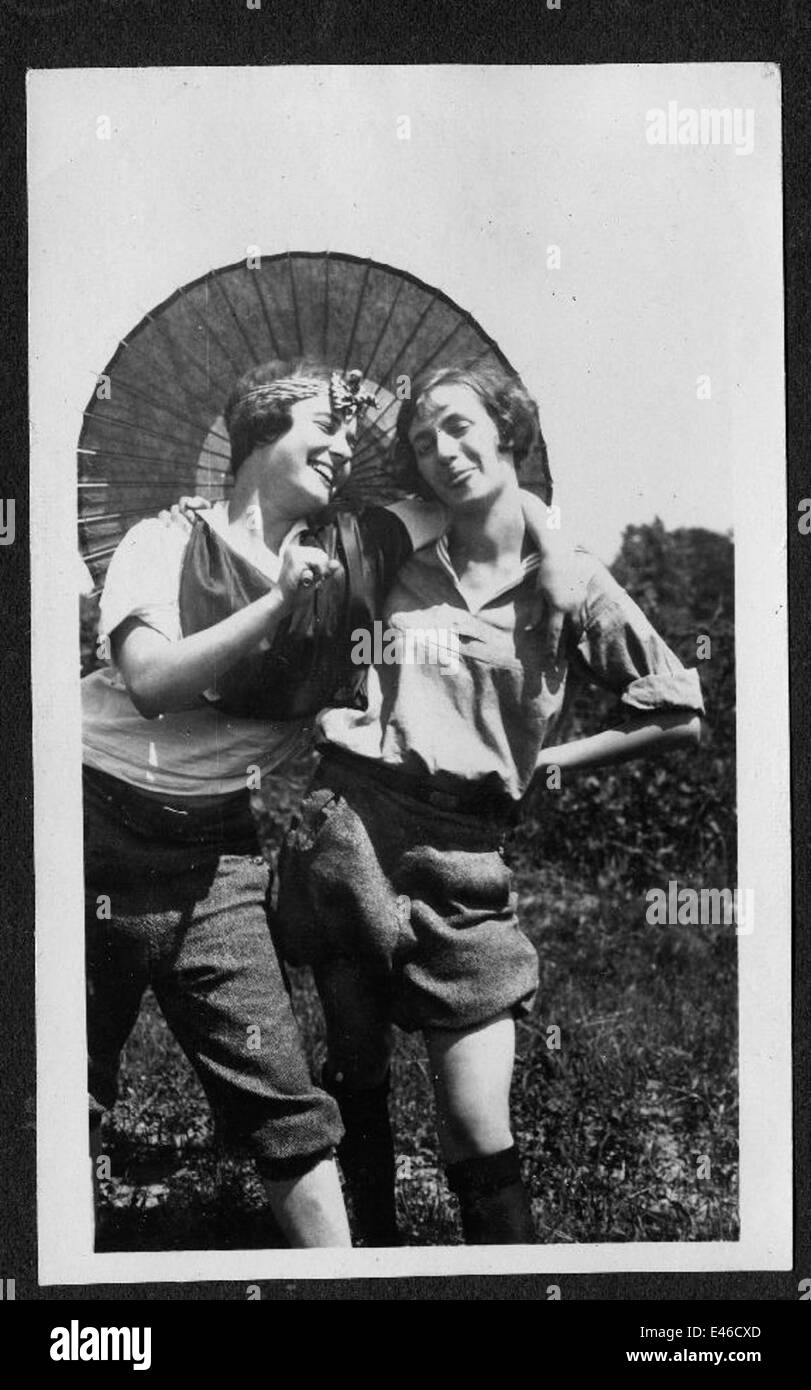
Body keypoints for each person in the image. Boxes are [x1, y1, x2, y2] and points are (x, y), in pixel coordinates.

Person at [82, 356, 573, 1248]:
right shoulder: (164, 542)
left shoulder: (363, 543)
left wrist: (559, 548)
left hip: (219, 851)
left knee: (286, 1106)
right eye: (326, 427)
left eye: (353, 435)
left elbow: (490, 493)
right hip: (88, 827)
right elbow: (151, 682)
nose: (347, 449)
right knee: (71, 1078)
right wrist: (276, 603)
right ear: (263, 431)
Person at [275, 364, 708, 1246]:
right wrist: (327, 702)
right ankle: (365, 1275)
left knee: (476, 1128)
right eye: (424, 440)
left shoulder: (571, 577)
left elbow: (677, 712)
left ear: (507, 428)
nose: (442, 450)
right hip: (352, 829)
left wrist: (553, 759)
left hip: (465, 864)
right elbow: (307, 629)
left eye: (459, 426)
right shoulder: (398, 560)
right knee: (355, 1080)